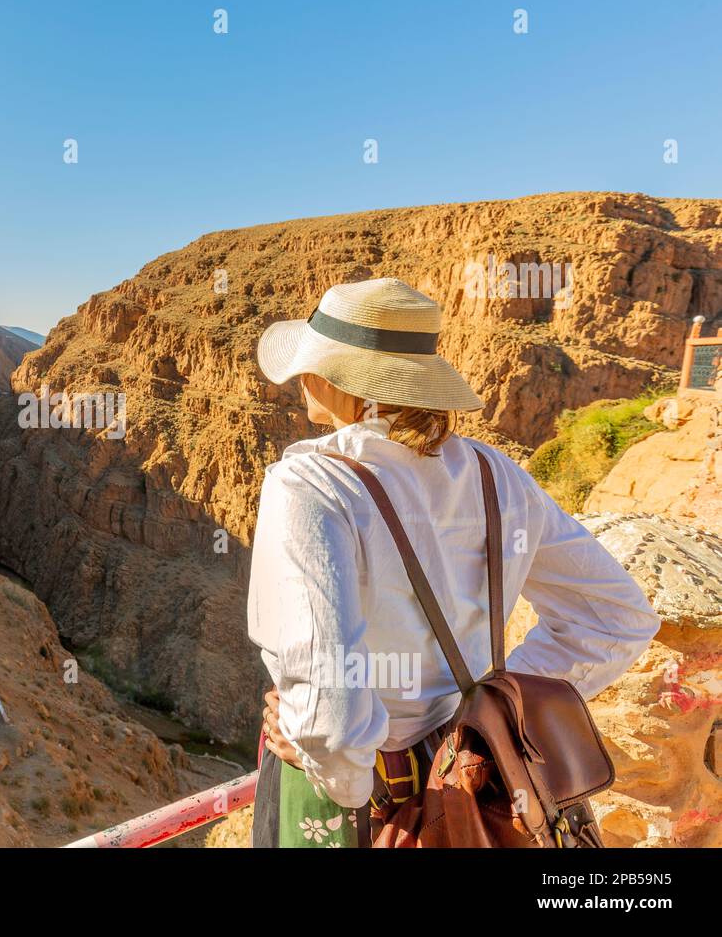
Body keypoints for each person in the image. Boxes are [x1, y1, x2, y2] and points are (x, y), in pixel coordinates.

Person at [248, 277, 659, 848]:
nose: (299, 380)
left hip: (358, 795)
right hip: (477, 775)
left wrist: (340, 771)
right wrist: (492, 717)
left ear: (332, 376)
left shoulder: (313, 484)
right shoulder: (498, 475)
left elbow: (331, 715)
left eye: (307, 365)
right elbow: (615, 618)